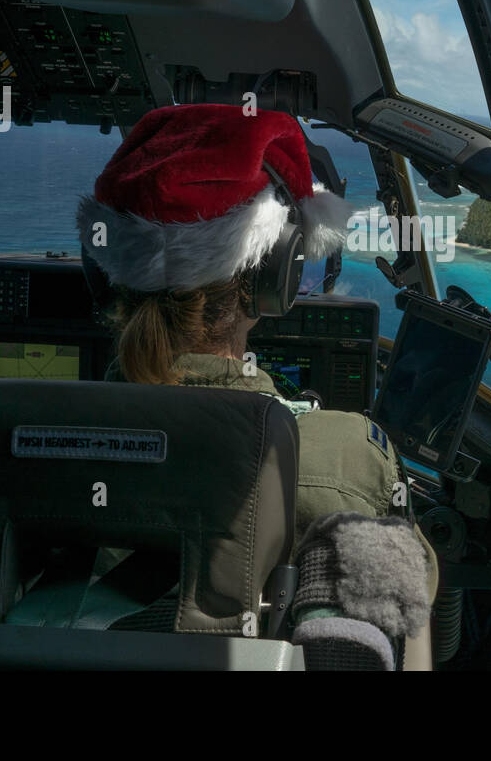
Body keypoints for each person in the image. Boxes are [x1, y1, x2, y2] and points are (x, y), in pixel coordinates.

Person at [75, 103, 439, 619]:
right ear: (275, 275)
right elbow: (410, 603)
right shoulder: (342, 459)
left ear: (103, 271)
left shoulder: (0, 433)